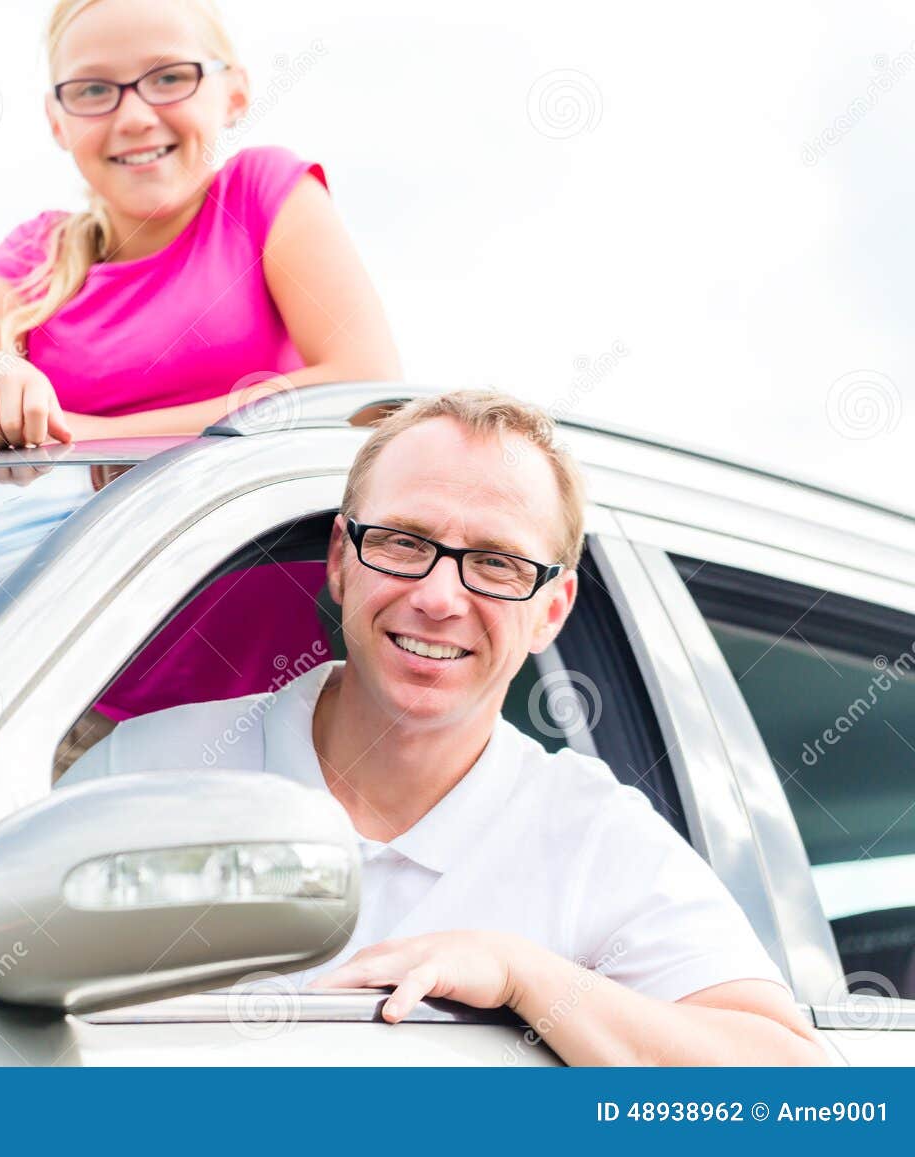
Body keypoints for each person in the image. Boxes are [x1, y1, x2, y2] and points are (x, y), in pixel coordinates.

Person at [60, 390, 828, 1066]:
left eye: (495, 561)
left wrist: (527, 977)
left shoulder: (592, 834)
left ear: (551, 610)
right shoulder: (148, 771)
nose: (437, 595)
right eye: (403, 541)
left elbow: (801, 1097)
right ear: (339, 558)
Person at [0, 0, 401, 458]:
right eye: (92, 89)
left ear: (235, 94)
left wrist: (99, 439)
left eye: (171, 78)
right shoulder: (35, 256)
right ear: (57, 120)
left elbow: (368, 384)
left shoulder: (260, 193)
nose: (133, 117)